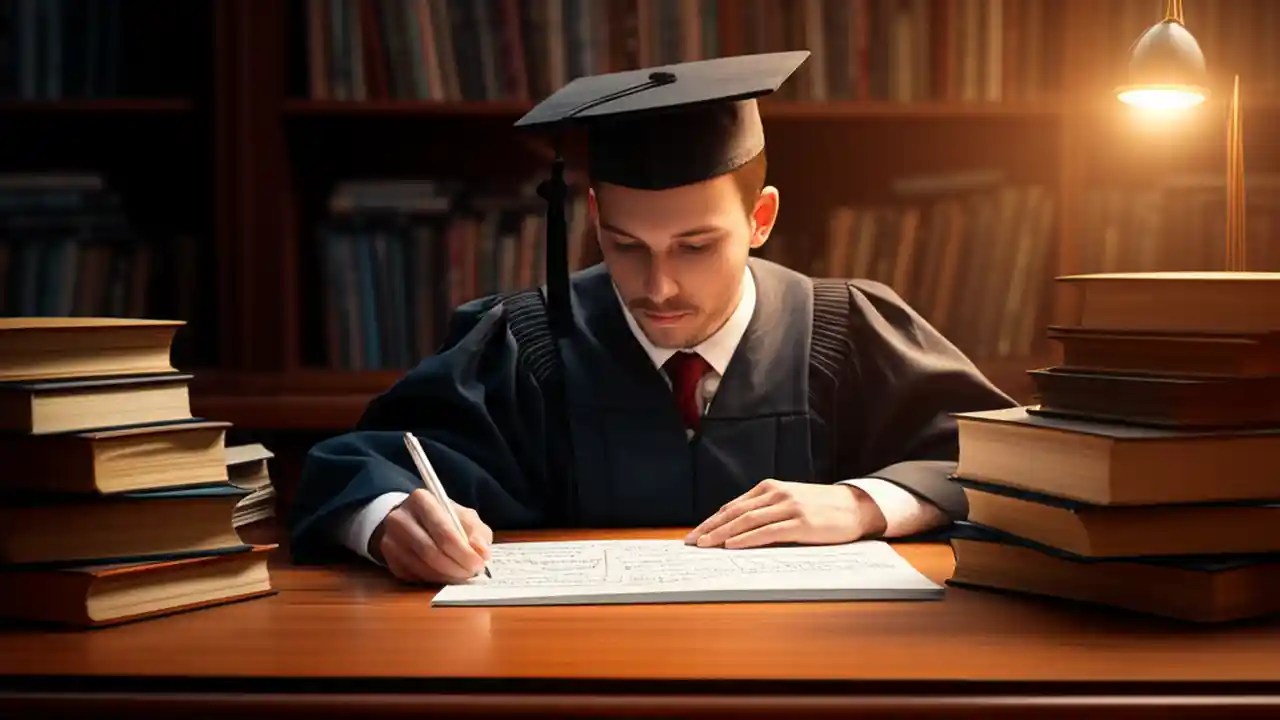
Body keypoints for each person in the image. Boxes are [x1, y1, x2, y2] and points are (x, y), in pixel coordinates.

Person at [290, 52, 1015, 584]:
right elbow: (355, 467)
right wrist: (389, 521)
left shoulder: (847, 332)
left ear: (760, 219)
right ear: (596, 215)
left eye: (696, 246)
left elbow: (1005, 465)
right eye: (625, 245)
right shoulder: (527, 344)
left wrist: (864, 504)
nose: (658, 285)